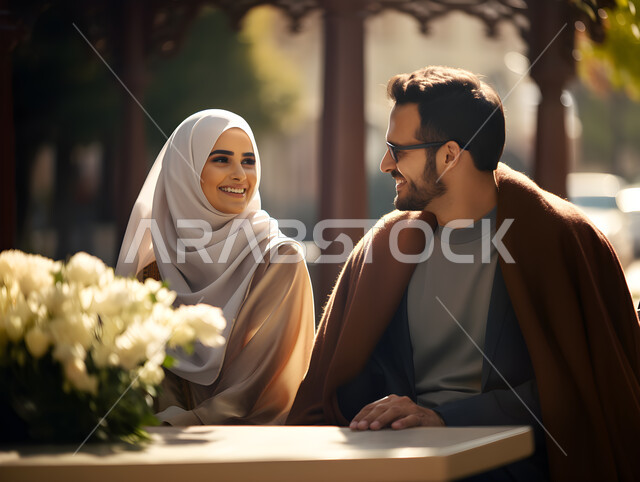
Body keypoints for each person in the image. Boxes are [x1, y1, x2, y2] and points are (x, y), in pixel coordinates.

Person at [287, 66, 640, 480]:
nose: (385, 164)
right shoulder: (384, 247)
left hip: (512, 465)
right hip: (394, 458)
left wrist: (444, 418)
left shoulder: (564, 239)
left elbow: (584, 385)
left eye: (397, 150)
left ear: (450, 155)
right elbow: (335, 383)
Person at [116, 109, 314, 426]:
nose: (240, 174)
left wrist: (184, 423)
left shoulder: (279, 261)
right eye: (221, 160)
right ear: (184, 172)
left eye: (248, 161)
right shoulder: (151, 273)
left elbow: (263, 392)